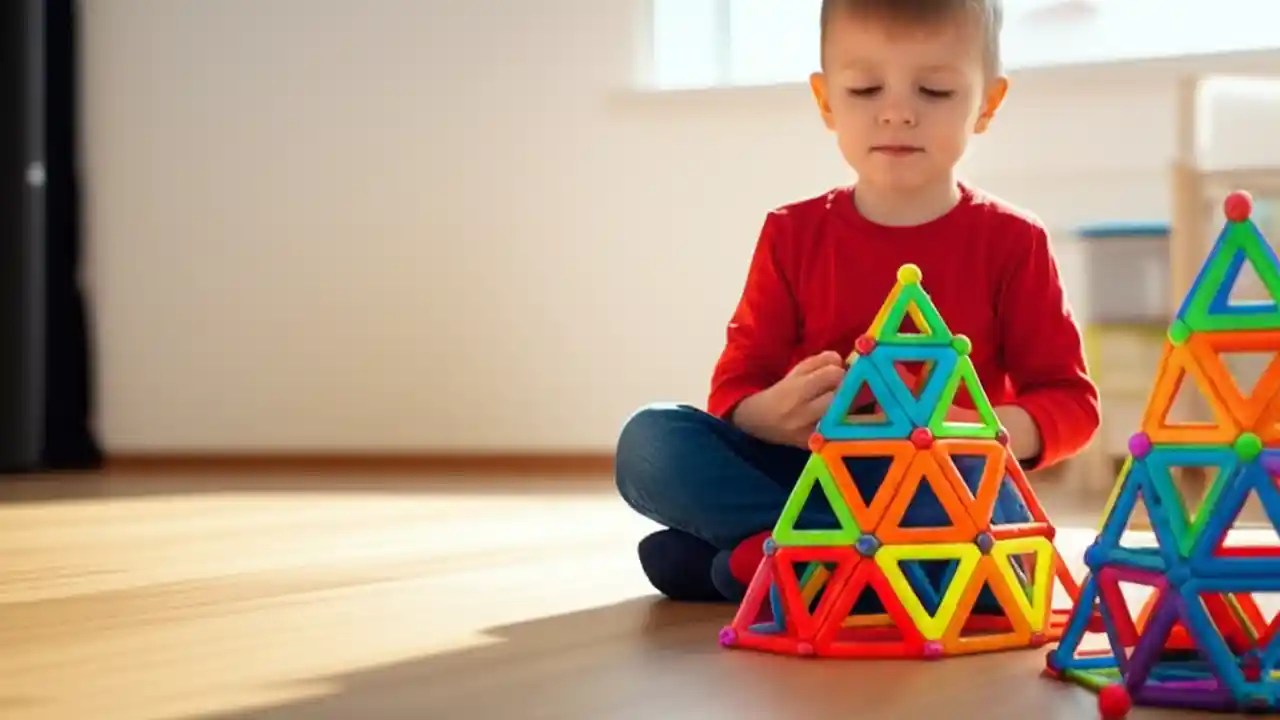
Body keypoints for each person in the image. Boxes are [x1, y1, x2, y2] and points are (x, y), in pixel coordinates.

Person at [614, 0, 1100, 604]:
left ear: (987, 105)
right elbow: (734, 391)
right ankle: (831, 562)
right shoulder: (791, 234)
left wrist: (975, 432)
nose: (897, 113)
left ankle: (776, 564)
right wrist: (768, 413)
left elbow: (1071, 404)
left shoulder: (1013, 240)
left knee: (677, 559)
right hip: (808, 477)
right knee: (650, 441)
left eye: (935, 90)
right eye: (866, 89)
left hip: (944, 493)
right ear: (826, 102)